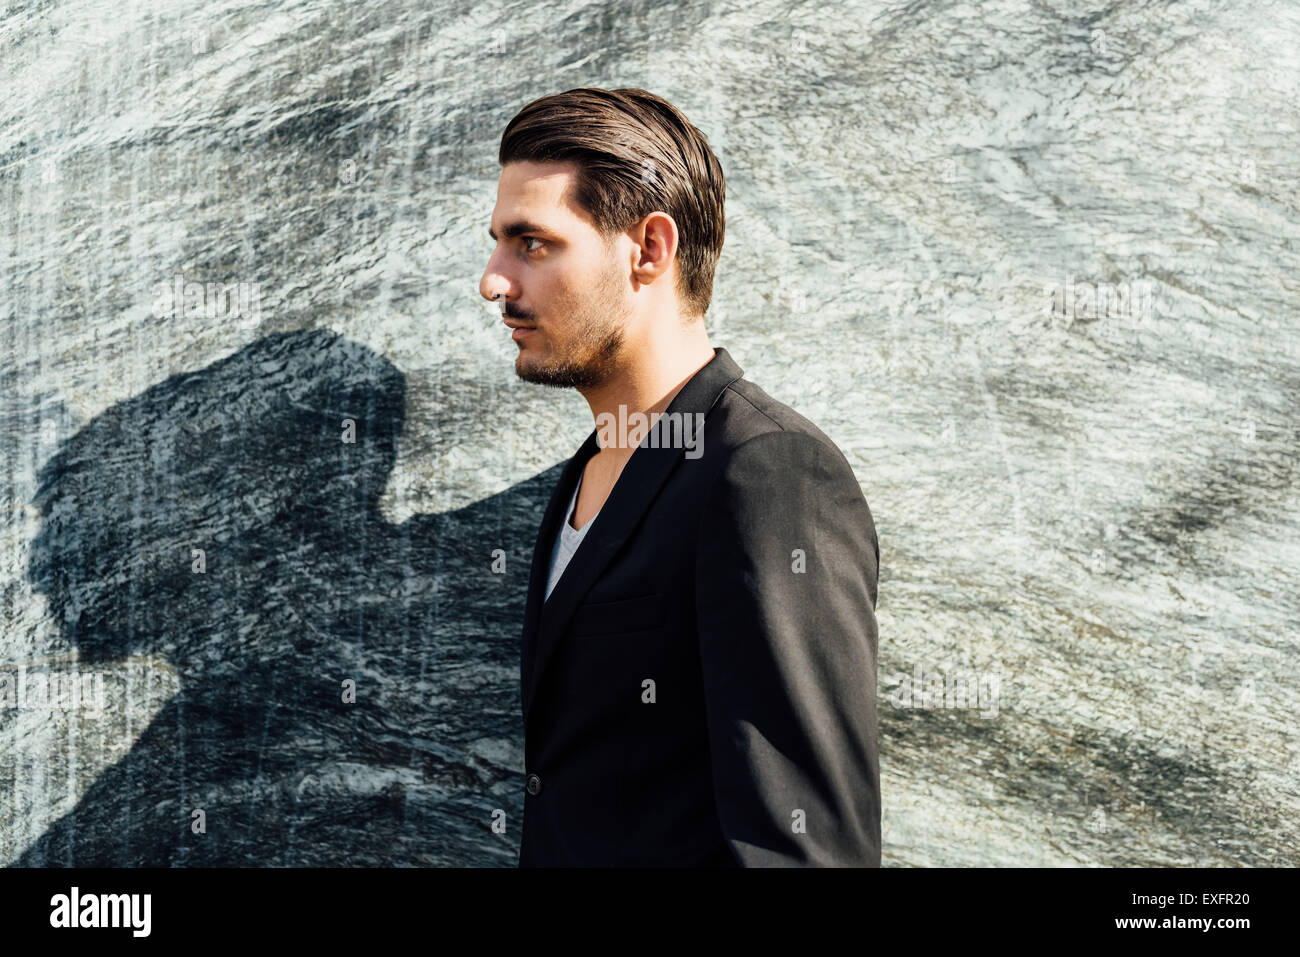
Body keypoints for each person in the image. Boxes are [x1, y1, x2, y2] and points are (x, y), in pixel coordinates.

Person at [480, 88, 880, 866]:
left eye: (531, 243)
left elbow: (804, 847)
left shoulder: (768, 472)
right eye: (498, 242)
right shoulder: (586, 474)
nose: (493, 281)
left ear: (649, 251)